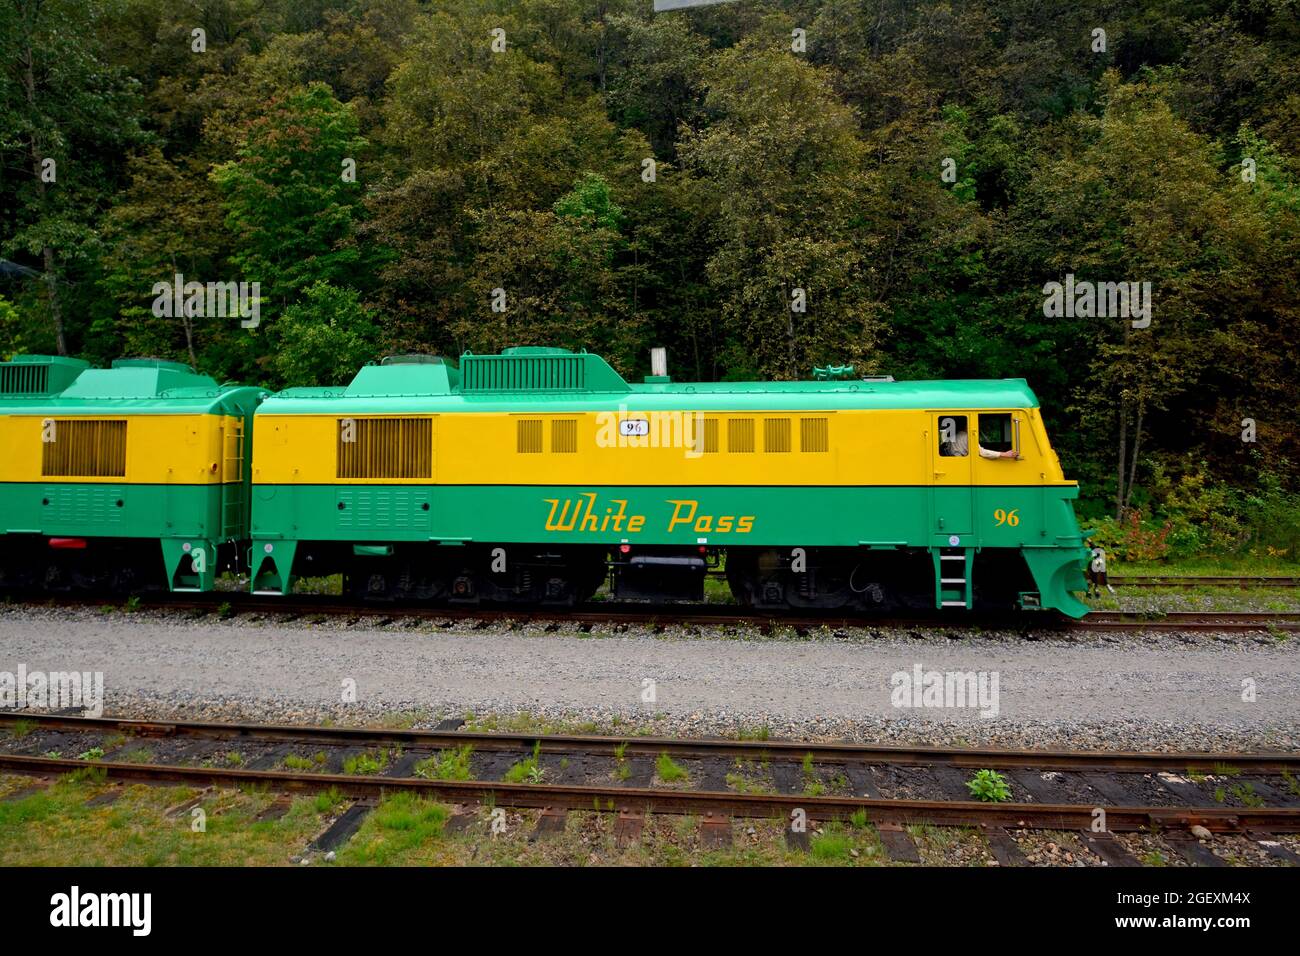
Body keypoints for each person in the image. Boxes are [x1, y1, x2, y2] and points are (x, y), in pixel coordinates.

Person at [939, 418, 1018, 459]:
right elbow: (982, 452)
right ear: (967, 425)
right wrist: (1004, 454)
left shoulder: (953, 437)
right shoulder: (967, 437)